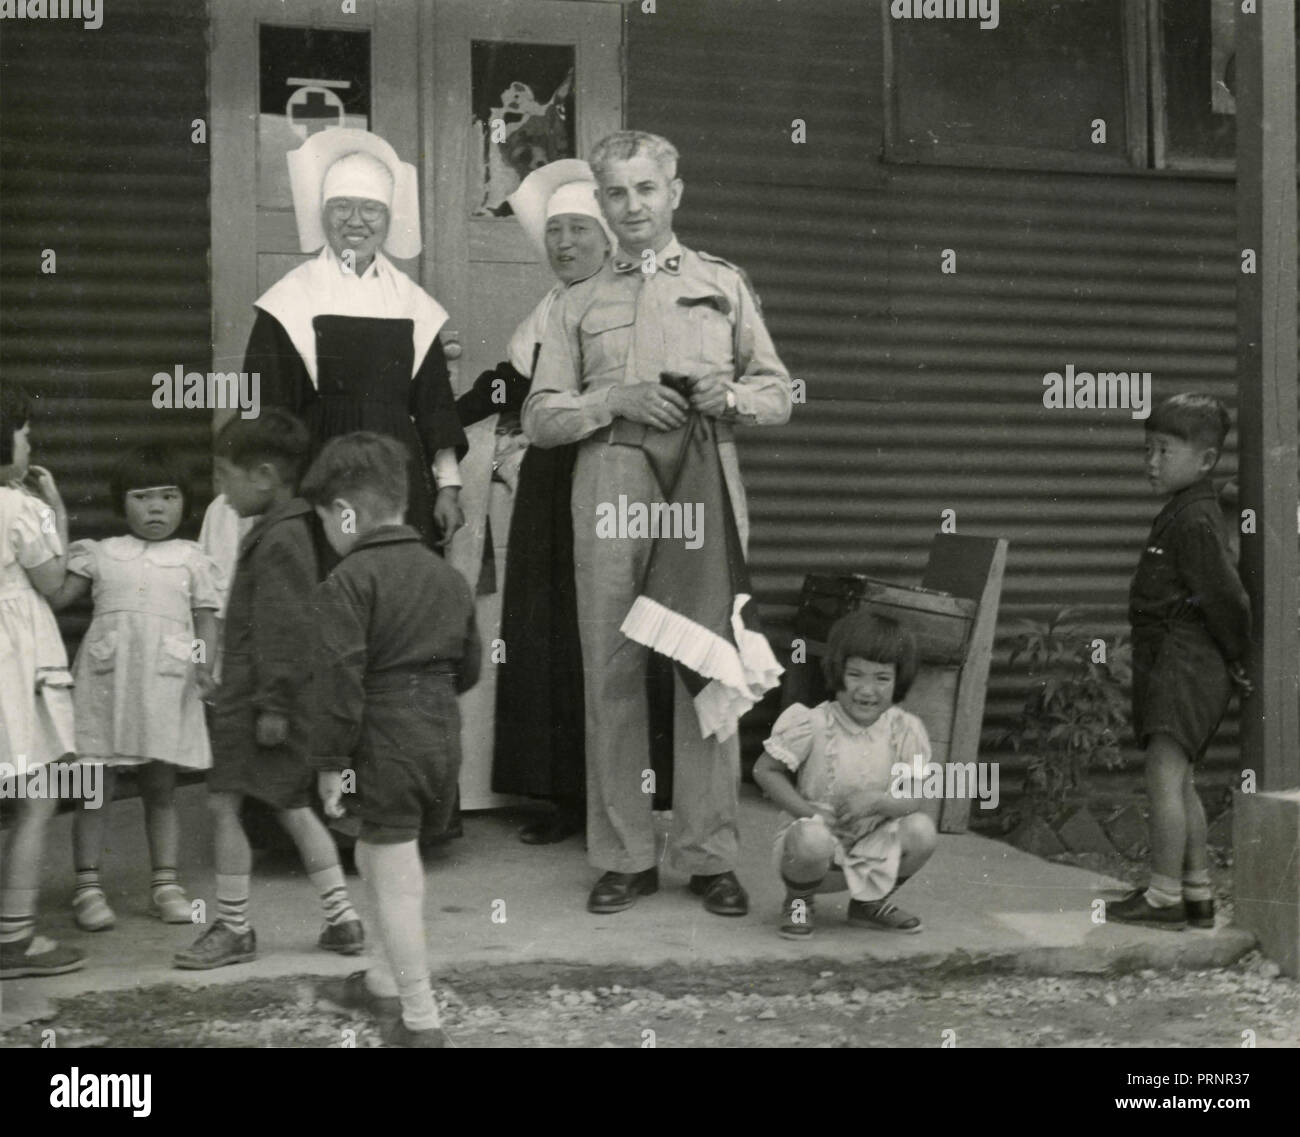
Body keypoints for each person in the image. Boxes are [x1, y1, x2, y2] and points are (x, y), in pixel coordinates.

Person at [522, 130, 793, 916]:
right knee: (611, 667)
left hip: (704, 483)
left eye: (647, 189)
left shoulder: (722, 284)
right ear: (601, 202)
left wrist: (730, 396)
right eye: (616, 192)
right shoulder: (576, 302)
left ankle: (709, 855)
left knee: (707, 658)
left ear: (674, 193)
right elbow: (540, 417)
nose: (632, 206)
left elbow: (778, 391)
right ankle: (625, 855)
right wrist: (614, 399)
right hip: (611, 477)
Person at [454, 159, 614, 843]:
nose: (566, 244)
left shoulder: (622, 303)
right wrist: (434, 415)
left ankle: (608, 799)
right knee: (542, 634)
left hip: (607, 474)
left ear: (608, 237)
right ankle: (558, 795)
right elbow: (507, 386)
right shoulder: (549, 306)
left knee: (600, 634)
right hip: (549, 484)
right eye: (555, 232)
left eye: (579, 229)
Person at [303, 432, 480, 1048]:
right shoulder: (448, 578)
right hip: (439, 735)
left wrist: (330, 763)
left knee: (394, 870)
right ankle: (381, 981)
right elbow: (473, 668)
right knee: (378, 854)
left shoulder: (347, 582)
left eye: (326, 520)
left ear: (345, 513)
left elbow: (338, 683)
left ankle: (420, 1020)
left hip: (381, 741)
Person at [216, 128, 467, 552]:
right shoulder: (290, 299)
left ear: (389, 218)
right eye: (341, 207)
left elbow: (435, 407)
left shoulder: (413, 304)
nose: (355, 221)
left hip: (398, 477)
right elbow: (265, 409)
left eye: (371, 209)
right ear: (322, 213)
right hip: (317, 477)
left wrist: (448, 488)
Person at [175, 410, 363, 969]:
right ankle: (343, 920)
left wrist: (273, 704)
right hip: (266, 698)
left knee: (223, 803)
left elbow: (286, 630)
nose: (220, 491)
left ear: (262, 475)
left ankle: (234, 929)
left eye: (224, 475)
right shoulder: (286, 529)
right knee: (292, 806)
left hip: (260, 702)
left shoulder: (280, 538)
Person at [48, 447, 223, 932]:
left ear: (184, 505)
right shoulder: (100, 553)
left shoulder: (192, 559)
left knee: (161, 789)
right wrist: (53, 522)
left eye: (169, 497)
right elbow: (57, 594)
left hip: (165, 686)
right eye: (142, 497)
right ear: (119, 504)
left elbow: (206, 622)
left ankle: (165, 885)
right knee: (94, 790)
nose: (156, 508)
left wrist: (203, 669)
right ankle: (87, 888)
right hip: (105, 685)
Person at [1109, 393, 1251, 930]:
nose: (1151, 462)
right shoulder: (1186, 511)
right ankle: (1196, 895)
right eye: (1147, 450)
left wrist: (1239, 656)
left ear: (1206, 461)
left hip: (1184, 660)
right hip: (1176, 659)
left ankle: (1163, 898)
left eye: (1164, 451)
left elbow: (1227, 598)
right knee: (1182, 778)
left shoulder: (1193, 520)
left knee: (1163, 777)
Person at [753, 612, 938, 939]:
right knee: (811, 838)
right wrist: (808, 813)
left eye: (882, 678)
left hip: (869, 847)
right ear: (838, 673)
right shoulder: (813, 723)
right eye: (855, 675)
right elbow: (765, 770)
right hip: (811, 851)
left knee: (922, 831)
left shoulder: (906, 729)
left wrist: (878, 801)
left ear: (899, 680)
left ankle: (870, 903)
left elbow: (913, 799)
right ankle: (799, 900)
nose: (867, 690)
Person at [0, 383, 84, 979]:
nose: (32, 442)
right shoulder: (16, 508)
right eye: (26, 431)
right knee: (37, 793)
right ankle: (14, 938)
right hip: (15, 661)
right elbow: (55, 583)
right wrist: (55, 509)